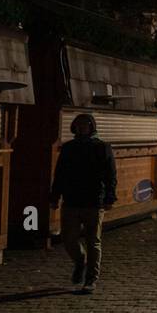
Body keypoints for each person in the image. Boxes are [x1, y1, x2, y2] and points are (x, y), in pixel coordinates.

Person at [50, 113, 117, 294]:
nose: (82, 127)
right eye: (78, 124)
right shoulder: (69, 148)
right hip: (71, 200)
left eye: (85, 124)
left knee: (93, 241)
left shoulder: (102, 147)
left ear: (91, 126)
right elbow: (60, 173)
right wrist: (55, 196)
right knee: (68, 238)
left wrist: (109, 197)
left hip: (93, 201)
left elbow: (110, 174)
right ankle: (81, 261)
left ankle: (90, 278)